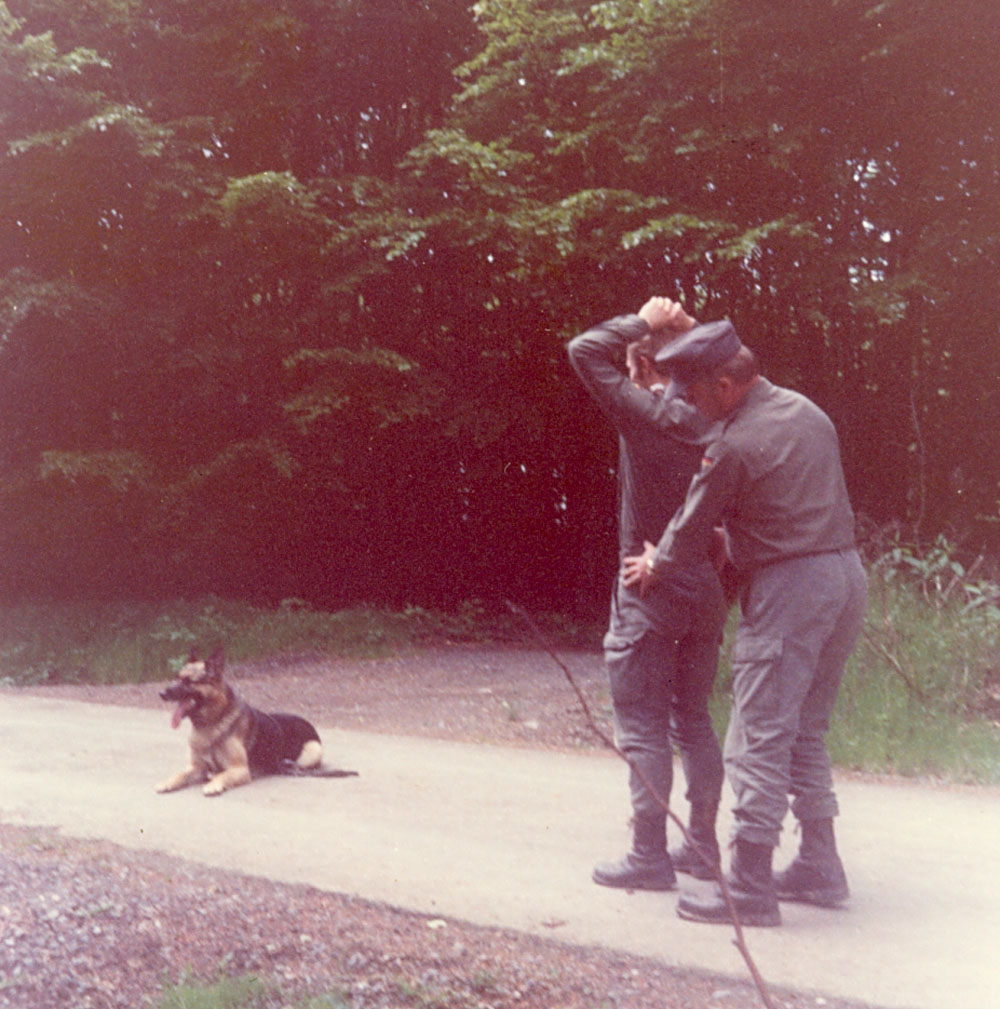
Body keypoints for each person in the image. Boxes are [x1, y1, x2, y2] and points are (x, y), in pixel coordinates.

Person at [623, 319, 868, 926]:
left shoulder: (734, 442)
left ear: (729, 383)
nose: (691, 407)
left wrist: (657, 559)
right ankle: (819, 864)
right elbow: (789, 501)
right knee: (805, 729)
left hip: (791, 588)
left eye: (698, 394)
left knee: (757, 734)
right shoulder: (806, 412)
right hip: (844, 576)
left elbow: (692, 518)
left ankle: (751, 886)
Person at [568, 297, 727, 891]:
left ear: (639, 367)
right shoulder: (714, 416)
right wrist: (687, 330)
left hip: (648, 582)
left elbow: (583, 350)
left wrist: (644, 322)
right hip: (704, 586)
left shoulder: (646, 414)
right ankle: (705, 847)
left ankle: (648, 855)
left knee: (641, 723)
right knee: (693, 718)